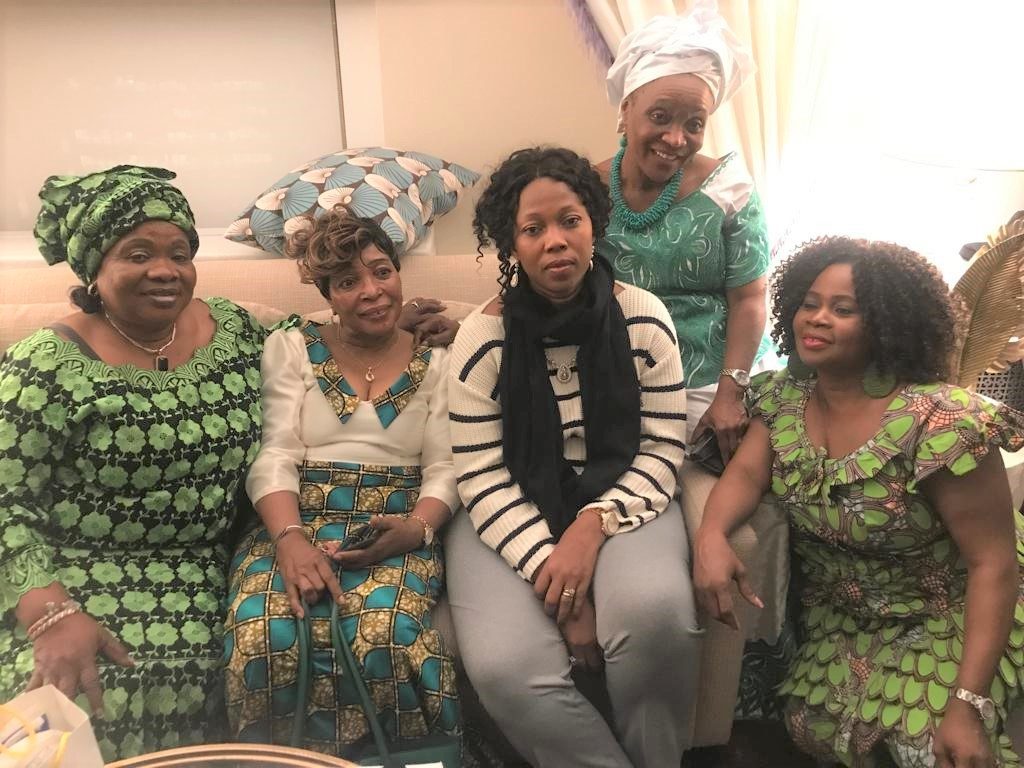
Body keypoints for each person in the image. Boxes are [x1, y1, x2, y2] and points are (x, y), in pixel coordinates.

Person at [693, 236, 1024, 767]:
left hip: (950, 614)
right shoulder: (783, 398)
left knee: (932, 750)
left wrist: (968, 703)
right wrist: (710, 535)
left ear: (886, 325)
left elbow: (994, 565)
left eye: (843, 309)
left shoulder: (941, 422)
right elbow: (747, 475)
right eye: (810, 303)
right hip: (843, 620)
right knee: (808, 729)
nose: (817, 318)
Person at [0, 165, 266, 759]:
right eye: (138, 254)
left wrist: (388, 329)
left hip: (214, 573)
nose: (165, 270)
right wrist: (50, 615)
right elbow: (4, 500)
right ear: (95, 269)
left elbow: (312, 352)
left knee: (268, 662)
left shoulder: (234, 332)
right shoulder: (45, 365)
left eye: (179, 253)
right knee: (71, 702)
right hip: (73, 576)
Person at [446, 146, 699, 768]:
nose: (555, 241)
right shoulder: (482, 339)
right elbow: (480, 476)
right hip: (510, 506)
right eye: (532, 229)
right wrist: (560, 584)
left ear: (594, 223)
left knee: (656, 618)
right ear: (511, 244)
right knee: (505, 666)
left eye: (569, 220)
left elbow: (662, 447)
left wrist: (591, 526)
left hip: (624, 496)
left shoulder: (644, 319)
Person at [223, 212, 462, 757]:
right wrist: (290, 540)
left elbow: (444, 467)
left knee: (386, 634)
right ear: (328, 295)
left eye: (382, 272)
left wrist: (417, 529)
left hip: (397, 524)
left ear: (399, 274)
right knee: (262, 631)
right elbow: (275, 452)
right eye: (349, 281)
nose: (372, 291)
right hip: (294, 519)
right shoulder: (291, 346)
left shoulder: (438, 358)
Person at [598, 7, 770, 461]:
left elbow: (749, 298)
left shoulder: (728, 190)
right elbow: (547, 277)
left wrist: (730, 394)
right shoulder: (583, 189)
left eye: (694, 123)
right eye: (660, 116)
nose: (676, 139)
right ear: (626, 109)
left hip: (710, 383)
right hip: (610, 376)